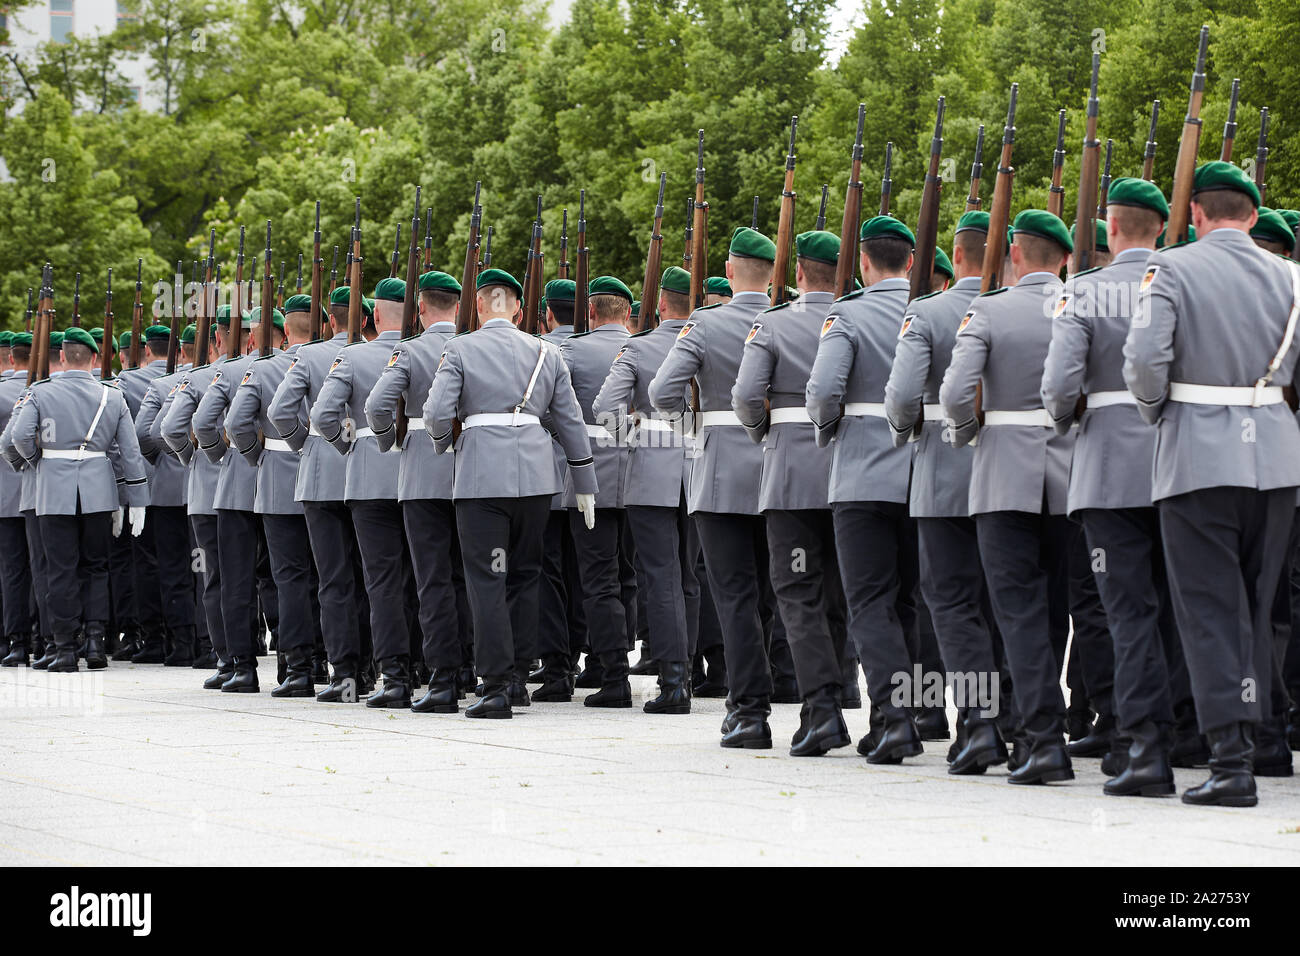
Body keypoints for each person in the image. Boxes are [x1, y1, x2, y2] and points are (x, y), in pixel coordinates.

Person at [1124, 160, 1300, 806]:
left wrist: (1157, 414)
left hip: (1198, 457)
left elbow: (1144, 363)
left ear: (1195, 214)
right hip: (1277, 463)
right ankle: (1260, 739)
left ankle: (1231, 761)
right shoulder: (1292, 277)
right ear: (1253, 216)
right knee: (1257, 609)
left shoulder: (1170, 270)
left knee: (1209, 612)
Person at [1043, 177, 1187, 797]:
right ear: (1163, 225)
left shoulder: (1084, 292)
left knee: (1126, 611)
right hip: (1182, 463)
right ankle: (1188, 731)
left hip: (1106, 470)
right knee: (1180, 609)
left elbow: (1057, 389)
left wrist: (1076, 416)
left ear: (1108, 227)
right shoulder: (1186, 281)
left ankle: (1139, 741)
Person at [940, 208, 1077, 785]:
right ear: (1065, 258)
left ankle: (1038, 735)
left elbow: (953, 395)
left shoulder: (989, 310)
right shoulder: (1084, 305)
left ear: (1015, 254)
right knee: (1057, 611)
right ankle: (1052, 726)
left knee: (1015, 610)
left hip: (1002, 478)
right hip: (1072, 475)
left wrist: (977, 434)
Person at [423, 267, 596, 718]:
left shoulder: (459, 349)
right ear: (519, 308)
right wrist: (585, 481)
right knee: (524, 575)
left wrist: (447, 444)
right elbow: (570, 421)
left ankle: (496, 684)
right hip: (537, 479)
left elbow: (437, 413)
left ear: (478, 305)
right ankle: (518, 676)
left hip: (483, 477)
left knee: (486, 579)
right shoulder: (546, 351)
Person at [885, 210, 1006, 774]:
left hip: (942, 472)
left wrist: (910, 434)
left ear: (954, 257)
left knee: (952, 604)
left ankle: (978, 724)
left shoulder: (928, 313)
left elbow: (904, 398)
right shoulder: (1029, 304)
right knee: (1011, 604)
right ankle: (1025, 724)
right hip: (1018, 478)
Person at [650, 226, 780, 748]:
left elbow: (662, 393)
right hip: (782, 470)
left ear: (729, 273)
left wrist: (693, 425)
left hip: (721, 471)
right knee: (776, 594)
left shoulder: (703, 325)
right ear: (774, 275)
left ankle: (749, 710)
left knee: (734, 593)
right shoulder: (788, 319)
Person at [806, 216, 921, 763]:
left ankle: (895, 720)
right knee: (909, 603)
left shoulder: (845, 314)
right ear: (912, 261)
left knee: (869, 602)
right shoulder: (932, 309)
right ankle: (905, 714)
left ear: (864, 264)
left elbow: (824, 392)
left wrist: (831, 433)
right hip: (924, 474)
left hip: (861, 477)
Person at [735, 230, 851, 756]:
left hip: (790, 476)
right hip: (851, 472)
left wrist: (765, 433)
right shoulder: (859, 316)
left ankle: (822, 710)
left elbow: (744, 397)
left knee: (798, 595)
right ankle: (845, 691)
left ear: (799, 274)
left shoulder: (773, 324)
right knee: (841, 592)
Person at [9, 327, 149, 671]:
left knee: (60, 570)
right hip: (98, 491)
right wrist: (137, 497)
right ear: (96, 359)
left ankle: (65, 648)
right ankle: (95, 642)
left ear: (60, 357)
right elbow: (130, 452)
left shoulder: (40, 393)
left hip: (52, 491)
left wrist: (37, 461)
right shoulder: (111, 395)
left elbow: (17, 436)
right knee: (96, 568)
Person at [594, 265, 699, 714]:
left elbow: (604, 407)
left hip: (653, 468)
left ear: (658, 306)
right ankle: (692, 673)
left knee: (660, 577)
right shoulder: (714, 335)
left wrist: (633, 435)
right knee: (691, 578)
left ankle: (673, 680)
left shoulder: (637, 348)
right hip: (702, 467)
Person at [365, 271, 471, 713]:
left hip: (421, 477)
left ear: (421, 308)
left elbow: (375, 407)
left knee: (431, 581)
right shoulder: (473, 345)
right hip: (471, 472)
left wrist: (390, 440)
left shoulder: (406, 351)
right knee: (470, 579)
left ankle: (440, 676)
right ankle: (469, 671)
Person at [311, 278, 416, 709]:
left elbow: (321, 414)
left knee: (382, 581)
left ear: (374, 317)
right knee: (431, 579)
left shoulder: (351, 357)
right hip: (428, 475)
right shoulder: (430, 350)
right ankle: (448, 669)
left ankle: (392, 676)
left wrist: (346, 445)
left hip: (370, 475)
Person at [269, 286, 372, 703]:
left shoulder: (306, 356)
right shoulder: (383, 352)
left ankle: (341, 672)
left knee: (332, 580)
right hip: (370, 475)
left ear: (330, 320)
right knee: (375, 578)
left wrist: (305, 443)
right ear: (365, 320)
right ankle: (374, 668)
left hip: (320, 478)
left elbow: (279, 413)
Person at [228, 299, 321, 698]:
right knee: (333, 577)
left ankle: (297, 667)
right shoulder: (334, 359)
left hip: (278, 482)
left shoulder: (262, 369)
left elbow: (234, 424)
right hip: (328, 479)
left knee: (290, 579)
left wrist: (258, 456)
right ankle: (346, 666)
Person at [560, 275, 636, 707]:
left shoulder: (572, 350)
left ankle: (613, 675)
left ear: (590, 313)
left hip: (590, 475)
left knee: (598, 578)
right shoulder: (642, 345)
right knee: (631, 576)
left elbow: (556, 411)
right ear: (627, 312)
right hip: (644, 475)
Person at [134, 324, 201, 667]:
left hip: (168, 490)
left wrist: (168, 457)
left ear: (180, 351)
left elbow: (144, 435)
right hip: (210, 485)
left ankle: (182, 642)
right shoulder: (222, 375)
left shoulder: (161, 386)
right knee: (206, 566)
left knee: (173, 567)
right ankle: (210, 644)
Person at [0, 333, 35, 666]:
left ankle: (16, 641)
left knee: (12, 572)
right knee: (43, 568)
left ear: (12, 358)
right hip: (42, 495)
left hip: (6, 497)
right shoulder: (42, 391)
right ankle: (46, 636)